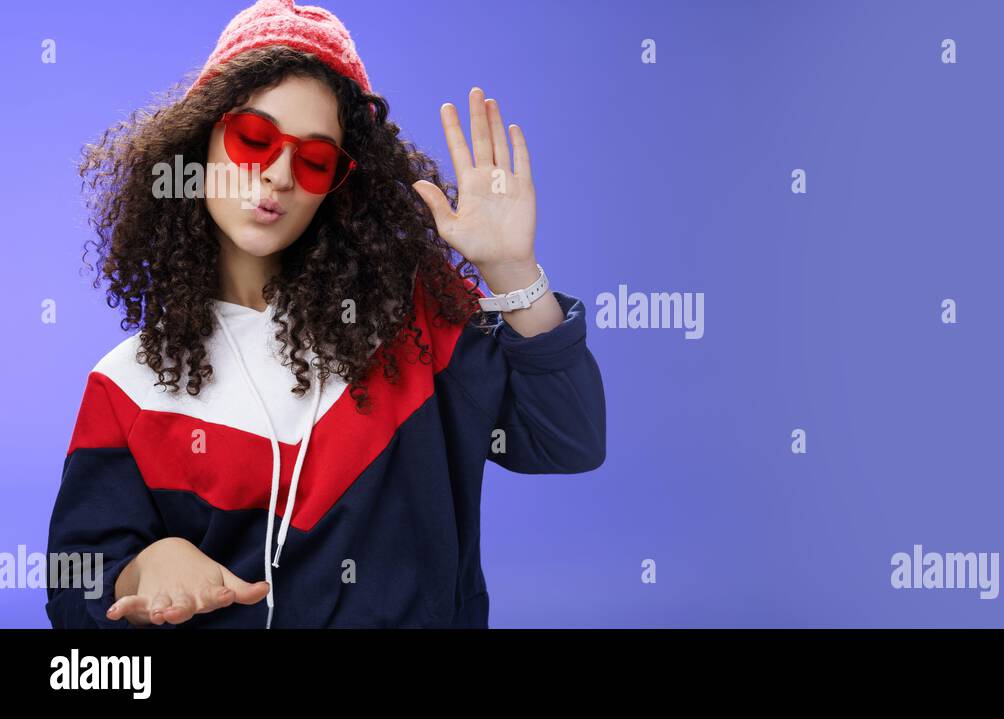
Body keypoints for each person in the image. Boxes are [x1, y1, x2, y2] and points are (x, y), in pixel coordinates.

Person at [45, 0, 606, 628]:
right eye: (254, 138)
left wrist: (512, 272)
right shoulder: (127, 385)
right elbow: (76, 585)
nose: (280, 174)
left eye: (315, 160)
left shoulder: (416, 324)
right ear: (198, 141)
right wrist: (144, 568)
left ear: (338, 186)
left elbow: (567, 440)